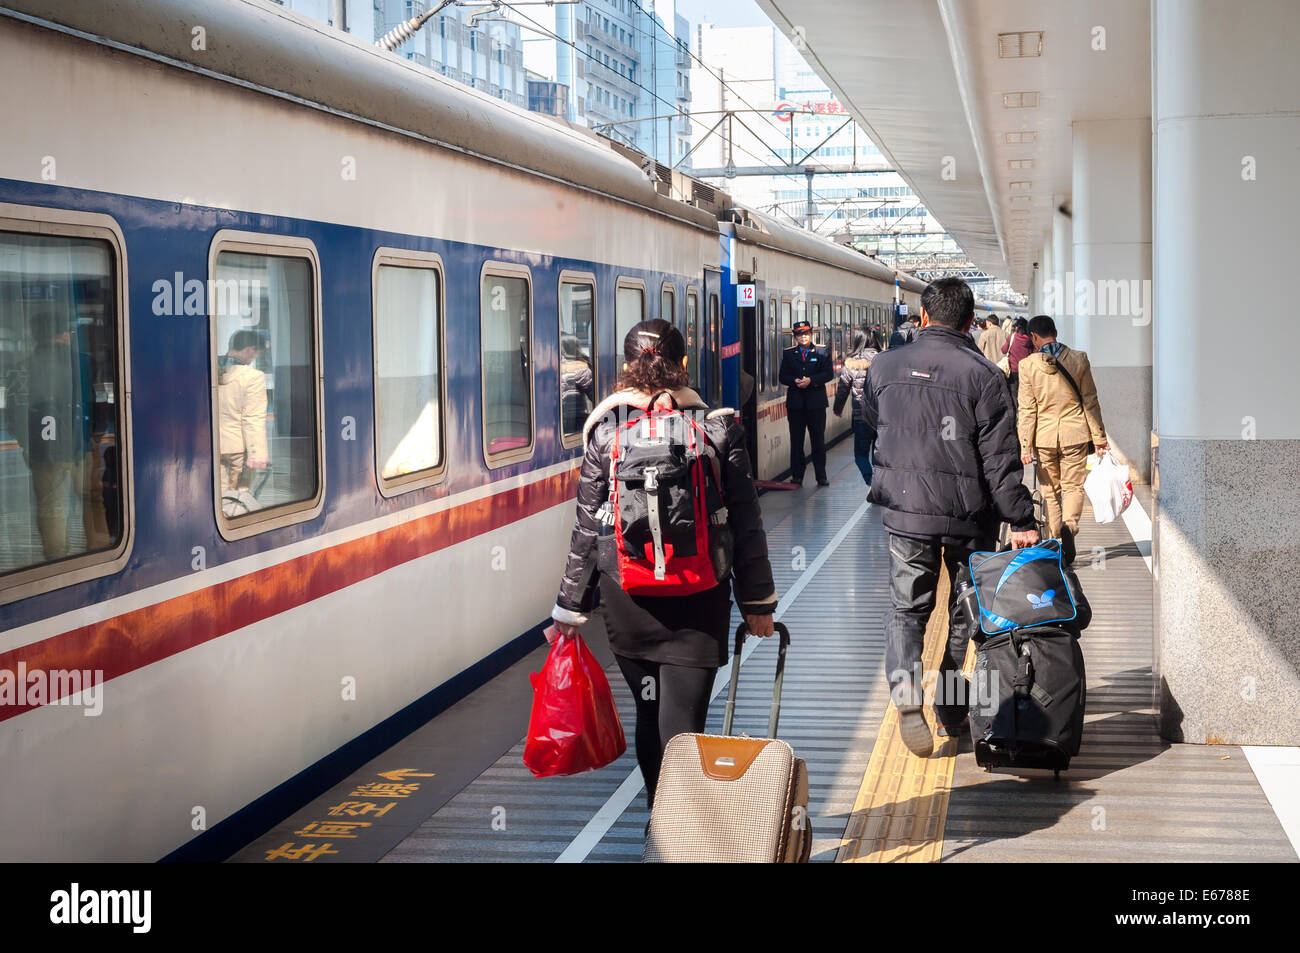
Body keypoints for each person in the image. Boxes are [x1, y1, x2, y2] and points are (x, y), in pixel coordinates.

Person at [551, 318, 778, 812]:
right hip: (699, 593)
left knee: (649, 709)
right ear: (683, 366)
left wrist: (570, 609)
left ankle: (660, 819)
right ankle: (680, 828)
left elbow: (588, 527)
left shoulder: (605, 431)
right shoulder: (717, 428)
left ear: (626, 370)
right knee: (684, 720)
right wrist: (758, 602)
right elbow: (746, 524)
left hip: (628, 595)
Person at [862, 277, 1039, 758]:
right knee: (966, 612)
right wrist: (1021, 517)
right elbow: (1001, 460)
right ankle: (951, 706)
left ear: (922, 317)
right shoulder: (984, 376)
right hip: (969, 517)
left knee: (907, 609)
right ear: (969, 322)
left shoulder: (884, 365)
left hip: (906, 514)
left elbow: (875, 420)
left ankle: (905, 692)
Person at [1017, 314, 1109, 565]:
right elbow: (1090, 401)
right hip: (1075, 434)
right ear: (1055, 332)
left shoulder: (1027, 366)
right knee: (1073, 487)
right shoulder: (1079, 359)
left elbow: (1027, 409)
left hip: (1044, 438)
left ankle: (1056, 540)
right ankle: (1071, 526)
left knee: (1051, 492)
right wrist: (1099, 437)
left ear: (1034, 337)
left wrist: (1025, 445)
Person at [8, 310, 96, 560]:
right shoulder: (82, 362)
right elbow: (92, 403)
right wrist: (90, 437)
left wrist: (29, 447)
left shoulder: (21, 369)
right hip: (81, 448)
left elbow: (15, 417)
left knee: (52, 511)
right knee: (93, 503)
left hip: (45, 454)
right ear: (64, 335)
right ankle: (97, 551)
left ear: (36, 335)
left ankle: (58, 560)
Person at [778, 319, 833, 486]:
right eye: (800, 335)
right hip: (796, 405)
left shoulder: (822, 352)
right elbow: (782, 376)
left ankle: (821, 476)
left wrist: (811, 380)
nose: (804, 338)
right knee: (796, 441)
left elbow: (828, 374)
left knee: (818, 440)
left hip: (816, 404)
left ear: (811, 335)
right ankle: (797, 475)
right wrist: (794, 381)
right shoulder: (789, 354)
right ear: (795, 337)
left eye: (806, 334)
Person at [218, 329, 269, 507]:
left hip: (211, 446)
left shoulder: (210, 369)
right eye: (256, 354)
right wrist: (257, 455)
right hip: (237, 450)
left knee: (218, 497)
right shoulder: (253, 378)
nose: (254, 358)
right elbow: (253, 418)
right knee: (235, 500)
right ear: (249, 350)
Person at [832, 328, 880, 485]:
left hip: (861, 417)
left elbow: (842, 390)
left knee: (860, 455)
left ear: (858, 341)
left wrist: (837, 409)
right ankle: (880, 483)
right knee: (879, 455)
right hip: (883, 417)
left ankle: (871, 482)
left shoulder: (852, 364)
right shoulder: (885, 361)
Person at [559, 334, 595, 436]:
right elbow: (594, 393)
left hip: (559, 417)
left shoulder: (557, 366)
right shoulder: (581, 367)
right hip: (577, 418)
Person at [1002, 317, 1033, 411]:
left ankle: (1016, 412)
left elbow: (1003, 350)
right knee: (1025, 392)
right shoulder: (1030, 340)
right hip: (1026, 370)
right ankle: (1024, 410)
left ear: (1017, 328)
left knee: (1013, 392)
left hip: (1013, 370)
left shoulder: (1012, 337)